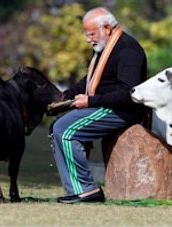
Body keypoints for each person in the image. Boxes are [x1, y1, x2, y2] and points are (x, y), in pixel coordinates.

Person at [50, 7, 147, 204]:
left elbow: (129, 93)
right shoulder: (105, 49)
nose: (88, 39)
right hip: (105, 107)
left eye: (91, 34)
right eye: (87, 34)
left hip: (123, 111)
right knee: (56, 127)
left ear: (107, 28)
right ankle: (75, 189)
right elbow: (90, 80)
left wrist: (90, 101)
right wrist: (64, 97)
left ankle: (87, 190)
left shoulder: (128, 50)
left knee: (65, 130)